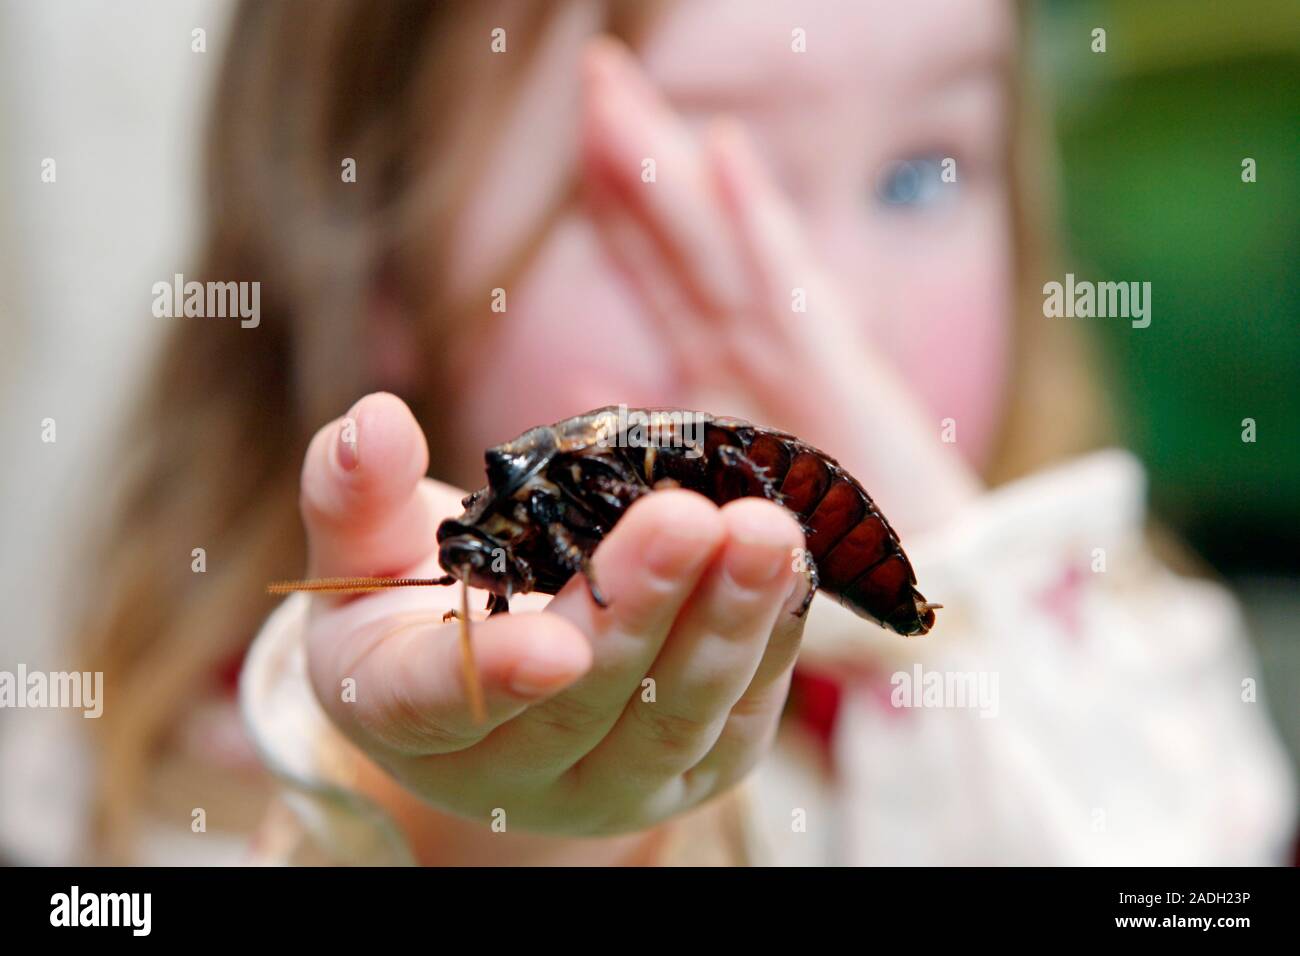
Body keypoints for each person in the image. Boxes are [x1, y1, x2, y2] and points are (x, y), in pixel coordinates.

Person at [29, 0, 1292, 865]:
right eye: (668, 182)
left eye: (922, 172)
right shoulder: (123, 793)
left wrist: (966, 582)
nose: (826, 304)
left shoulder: (1135, 655)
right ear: (378, 278)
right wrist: (468, 822)